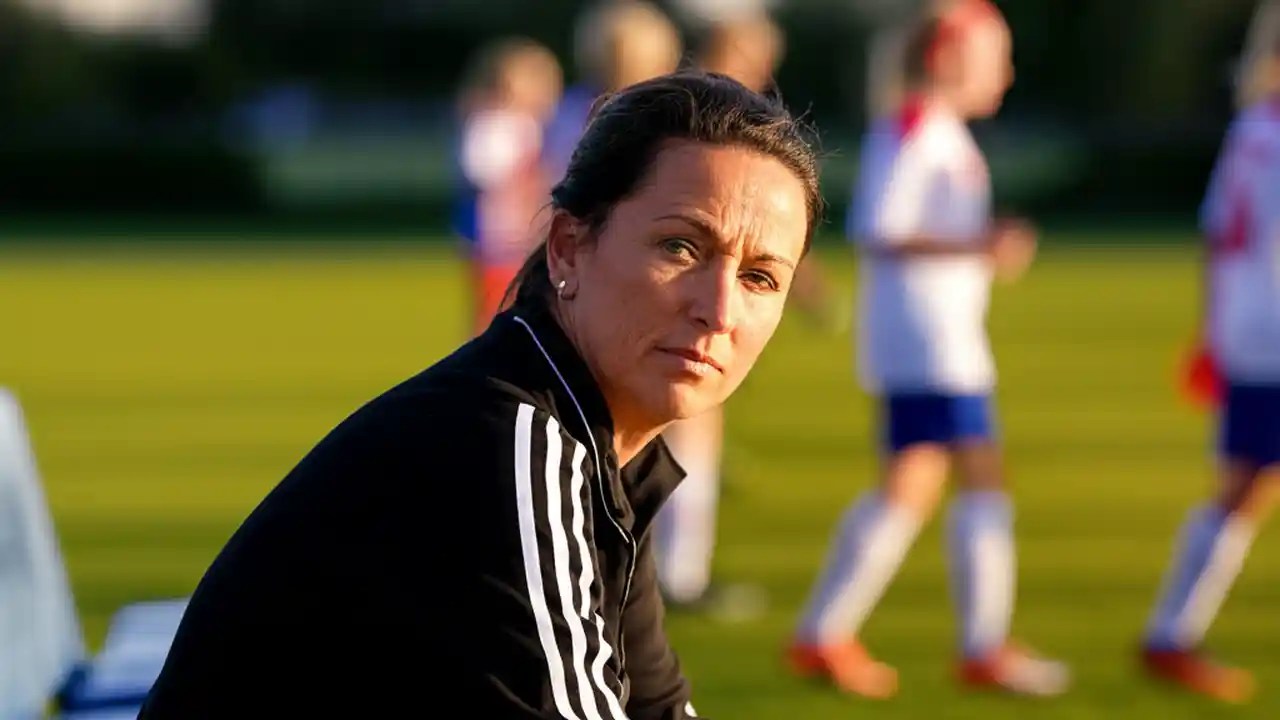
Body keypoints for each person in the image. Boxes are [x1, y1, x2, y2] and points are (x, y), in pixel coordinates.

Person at [137, 70, 824, 719]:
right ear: (567, 249)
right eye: (680, 247)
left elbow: (657, 706)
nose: (720, 309)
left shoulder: (605, 445)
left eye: (762, 278)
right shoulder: (512, 443)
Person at [787, 0, 1070, 699]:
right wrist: (982, 244)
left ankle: (825, 635)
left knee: (914, 487)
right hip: (929, 342)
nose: (1004, 75)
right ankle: (979, 647)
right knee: (971, 479)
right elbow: (878, 226)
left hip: (934, 339)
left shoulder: (936, 129)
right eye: (993, 58)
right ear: (947, 60)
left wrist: (979, 246)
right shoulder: (917, 125)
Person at [1139, 0, 1280, 703]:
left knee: (1248, 488)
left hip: (1253, 333)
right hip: (1270, 338)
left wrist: (1215, 332)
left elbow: (1218, 236)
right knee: (1244, 490)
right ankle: (1168, 636)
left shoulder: (1255, 127)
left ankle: (1170, 635)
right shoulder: (1270, 131)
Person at [450, 37, 563, 336]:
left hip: (523, 232)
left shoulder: (531, 125)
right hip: (498, 234)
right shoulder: (494, 124)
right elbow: (483, 175)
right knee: (495, 305)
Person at [541, 0, 682, 185]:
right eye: (614, 55)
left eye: (633, 57)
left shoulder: (676, 117)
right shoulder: (565, 116)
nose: (621, 66)